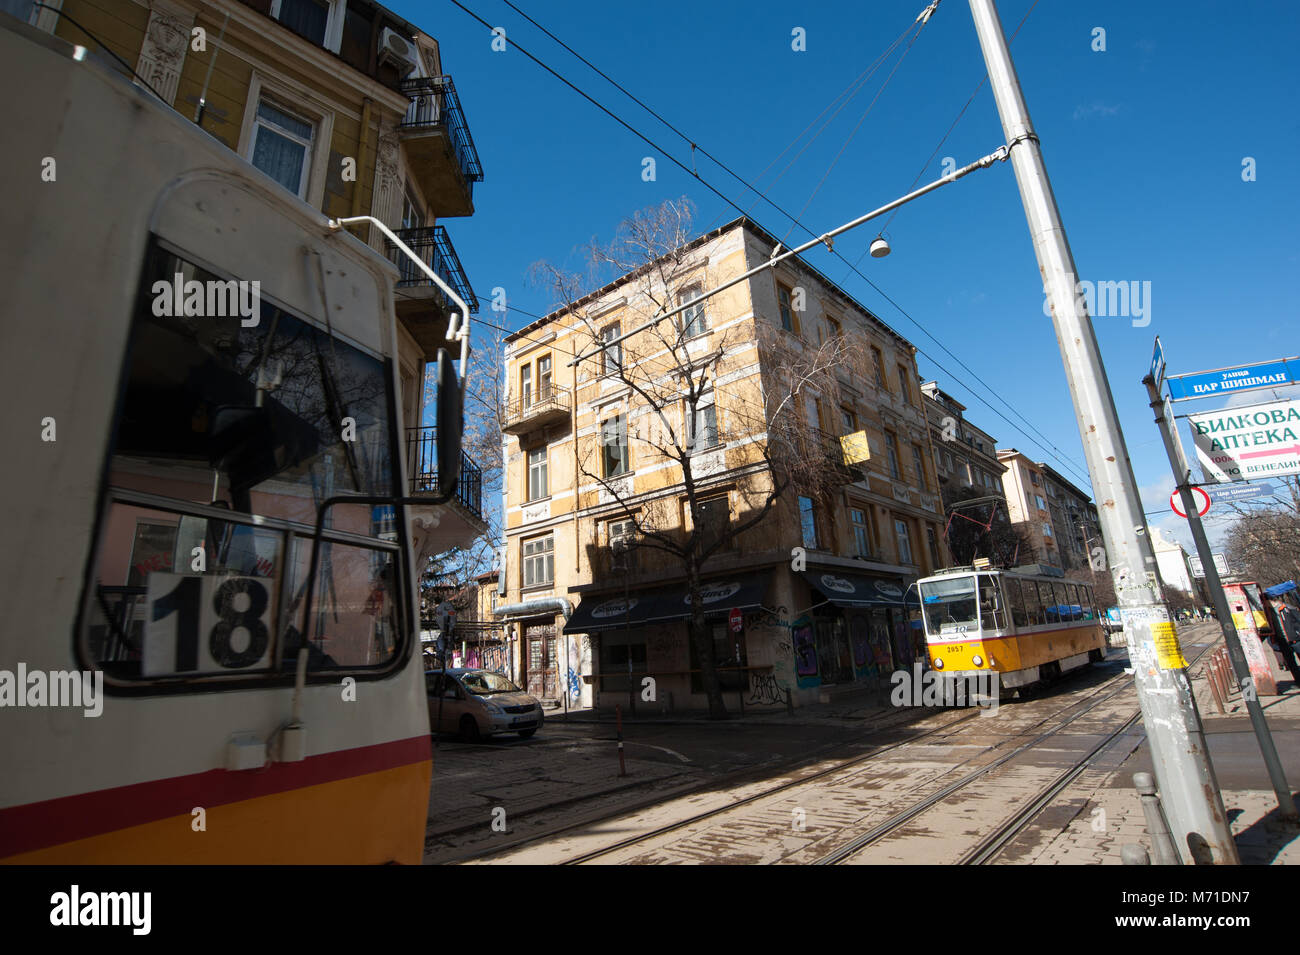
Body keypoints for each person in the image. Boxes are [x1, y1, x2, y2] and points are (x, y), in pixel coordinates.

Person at [1271, 604, 1300, 686]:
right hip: (1282, 641)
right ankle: (1298, 681)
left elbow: (1298, 619)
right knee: (1291, 663)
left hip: (1295, 639)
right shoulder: (1268, 612)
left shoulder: (1287, 608)